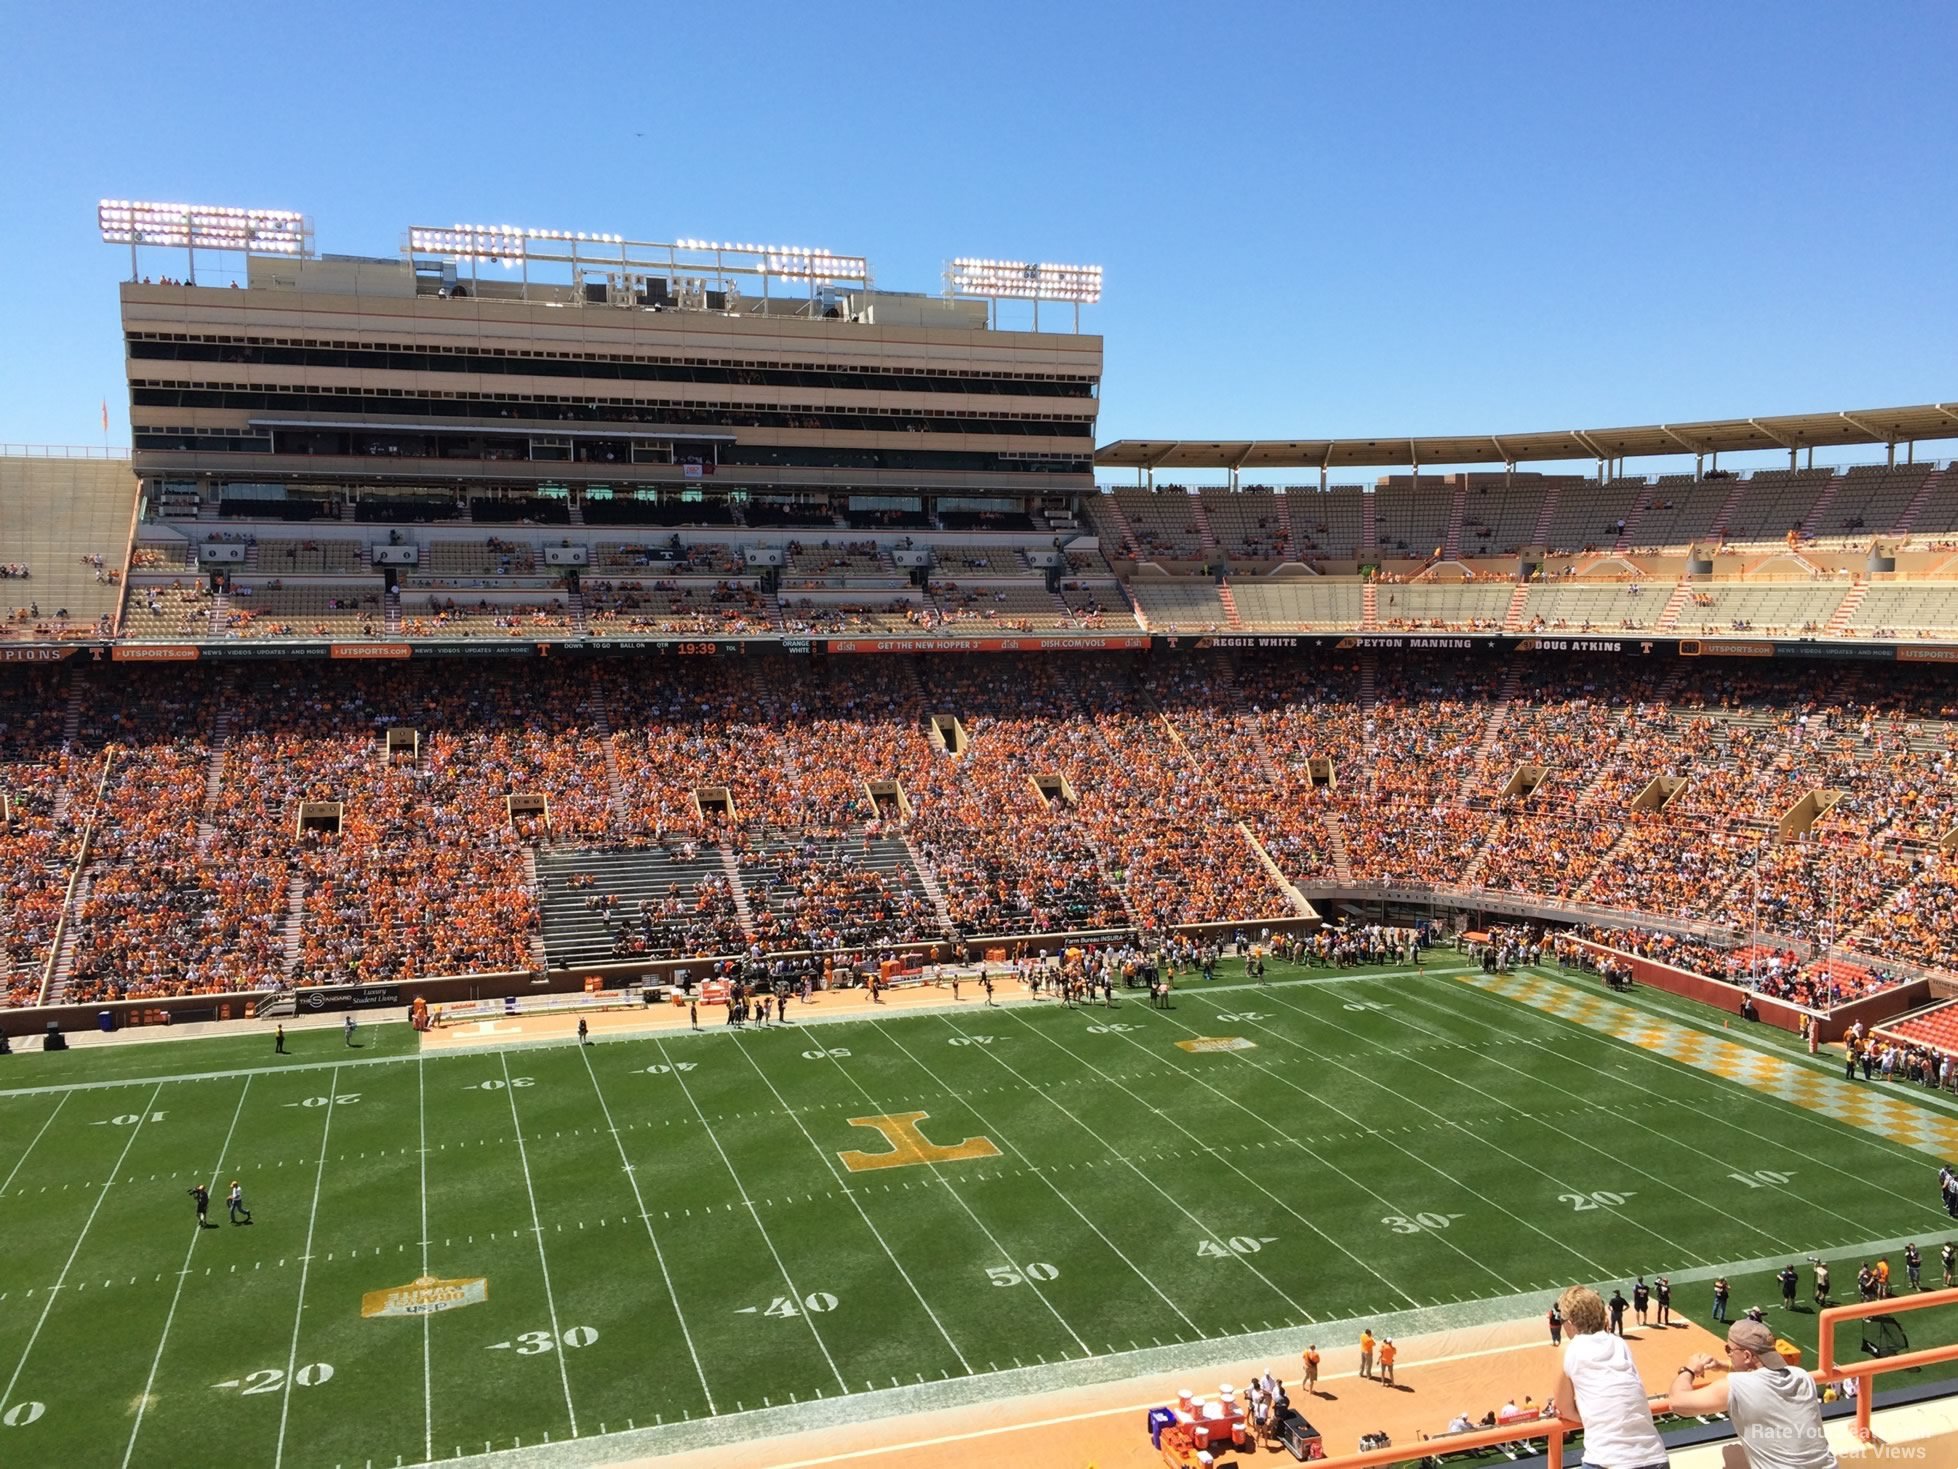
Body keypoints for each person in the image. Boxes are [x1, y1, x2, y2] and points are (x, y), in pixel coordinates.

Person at [1666, 1319, 1837, 1468]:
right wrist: (1723, 1365)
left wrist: (1688, 1369)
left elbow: (1677, 1403)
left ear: (1747, 1355)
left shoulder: (1736, 1385)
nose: (1729, 1354)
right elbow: (1762, 1376)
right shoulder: (1801, 1376)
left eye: (1729, 1350)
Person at [1550, 1284, 1667, 1469]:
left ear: (1571, 1323)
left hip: (1608, 1459)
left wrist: (1597, 1419)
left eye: (1562, 1319)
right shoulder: (1619, 1343)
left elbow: (1564, 1409)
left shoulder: (1568, 1349)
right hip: (1654, 1455)